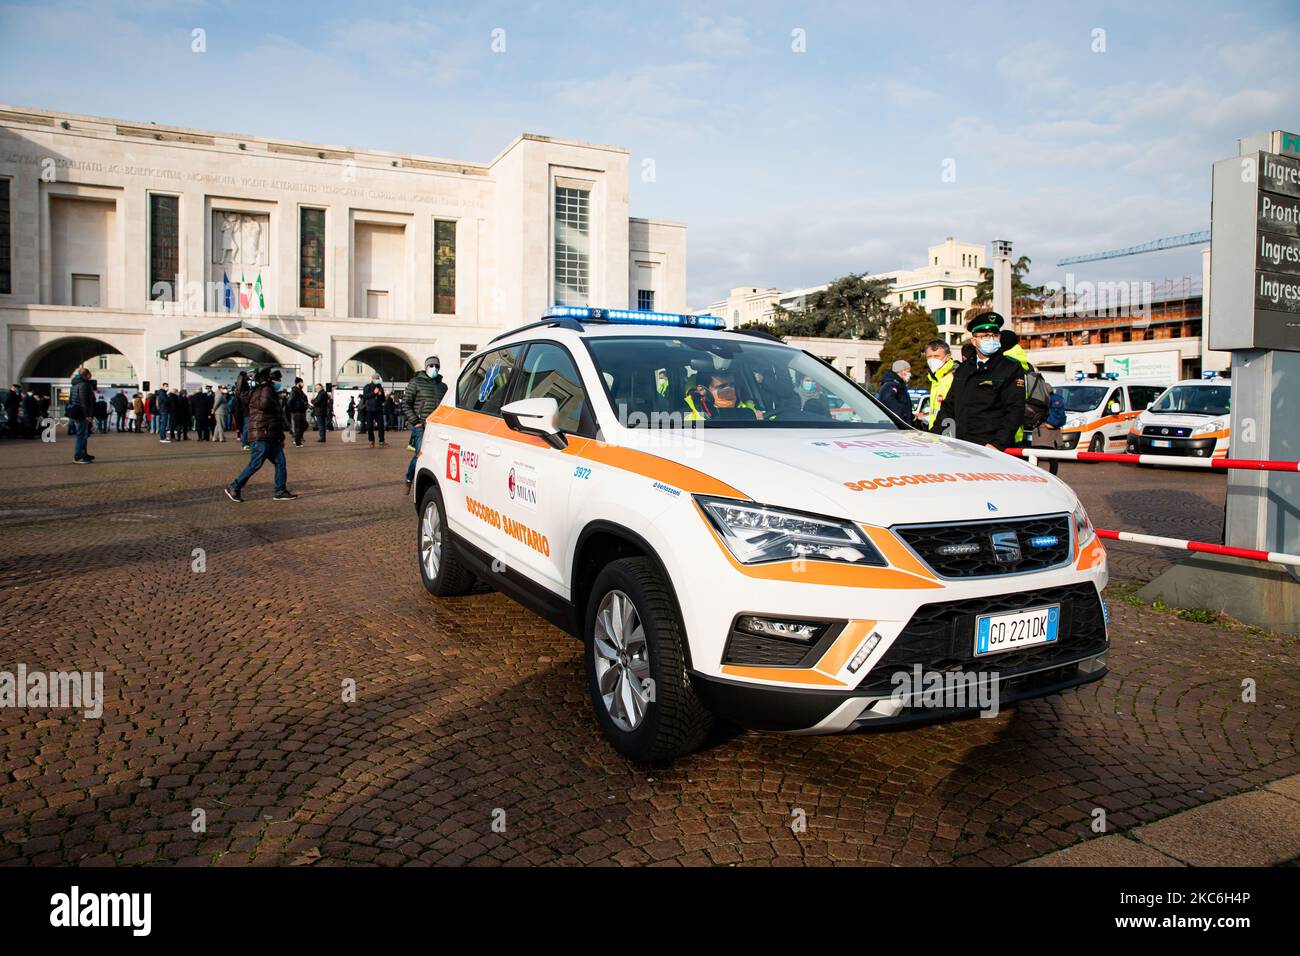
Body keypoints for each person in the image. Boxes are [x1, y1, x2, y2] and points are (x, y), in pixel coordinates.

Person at [934, 311, 1026, 451]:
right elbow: (949, 407)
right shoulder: (964, 369)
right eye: (985, 336)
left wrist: (997, 443)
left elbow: (1015, 410)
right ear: (974, 341)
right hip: (961, 445)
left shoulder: (1010, 368)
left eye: (995, 335)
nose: (991, 339)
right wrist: (936, 436)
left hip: (990, 448)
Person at [226, 369, 296, 502]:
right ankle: (234, 486)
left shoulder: (266, 391)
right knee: (256, 463)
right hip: (261, 434)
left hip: (271, 434)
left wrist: (281, 436)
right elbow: (264, 405)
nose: (276, 383)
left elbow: (276, 417)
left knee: (280, 463)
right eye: (273, 380)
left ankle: (280, 491)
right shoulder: (261, 391)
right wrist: (268, 388)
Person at [401, 356, 447, 492]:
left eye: (437, 366)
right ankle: (409, 479)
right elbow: (406, 403)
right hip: (421, 425)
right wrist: (415, 421)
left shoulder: (443, 386)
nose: (434, 368)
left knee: (437, 455)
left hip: (437, 426)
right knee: (421, 453)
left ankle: (431, 483)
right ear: (426, 367)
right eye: (431, 365)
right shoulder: (415, 382)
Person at [684, 372, 762, 421]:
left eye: (732, 385)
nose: (730, 391)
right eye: (721, 387)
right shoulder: (688, 421)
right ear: (702, 391)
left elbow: (772, 417)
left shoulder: (752, 411)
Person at [923, 340, 956, 431]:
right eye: (929, 356)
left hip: (949, 433)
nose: (932, 359)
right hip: (935, 432)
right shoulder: (935, 378)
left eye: (936, 356)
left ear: (947, 357)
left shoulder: (954, 377)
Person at [68, 368, 95, 463]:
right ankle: (78, 456)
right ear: (87, 374)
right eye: (90, 374)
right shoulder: (84, 384)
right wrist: (87, 414)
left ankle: (84, 454)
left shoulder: (75, 384)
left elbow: (71, 399)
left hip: (77, 412)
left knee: (84, 434)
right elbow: (84, 401)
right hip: (81, 413)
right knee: (82, 434)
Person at [877, 359, 915, 426]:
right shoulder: (891, 385)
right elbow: (891, 404)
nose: (910, 374)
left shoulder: (900, 385)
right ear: (901, 371)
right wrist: (903, 418)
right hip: (896, 426)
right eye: (908, 371)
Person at [364, 375, 387, 447]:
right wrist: (374, 393)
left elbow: (383, 399)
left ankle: (381, 441)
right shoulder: (367, 387)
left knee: (381, 426)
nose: (377, 380)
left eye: (378, 379)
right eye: (376, 379)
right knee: (370, 426)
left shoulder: (380, 387)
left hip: (378, 409)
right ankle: (371, 441)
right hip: (370, 409)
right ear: (372, 379)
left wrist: (381, 395)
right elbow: (365, 396)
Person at [287, 377, 309, 447]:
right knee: (297, 427)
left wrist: (305, 404)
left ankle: (298, 439)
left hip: (302, 411)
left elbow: (304, 399)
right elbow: (289, 402)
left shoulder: (300, 391)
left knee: (303, 426)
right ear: (298, 383)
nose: (303, 384)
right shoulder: (294, 391)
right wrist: (294, 409)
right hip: (297, 412)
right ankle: (297, 442)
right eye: (302, 383)